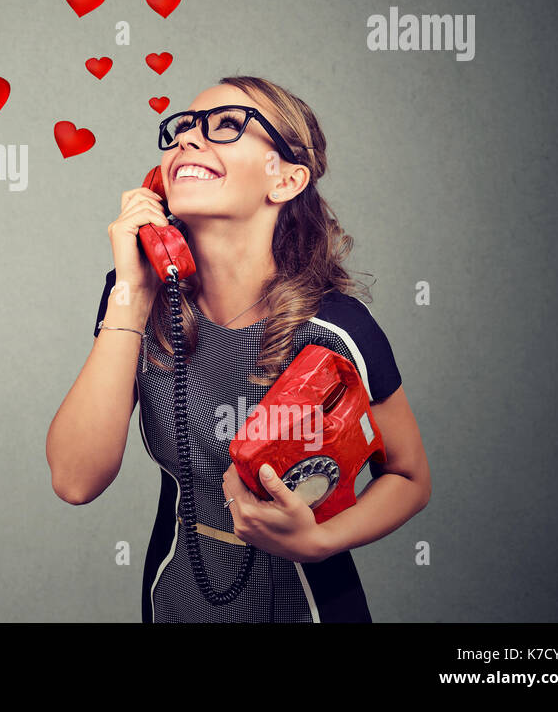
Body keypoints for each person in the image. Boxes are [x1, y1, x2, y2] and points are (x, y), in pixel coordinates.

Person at [46, 75, 431, 622]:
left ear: (286, 179)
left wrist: (320, 541)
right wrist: (132, 296)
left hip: (306, 603)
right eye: (184, 127)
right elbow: (75, 480)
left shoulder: (336, 326)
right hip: (175, 598)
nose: (188, 139)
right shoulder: (134, 299)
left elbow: (410, 477)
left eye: (226, 125)